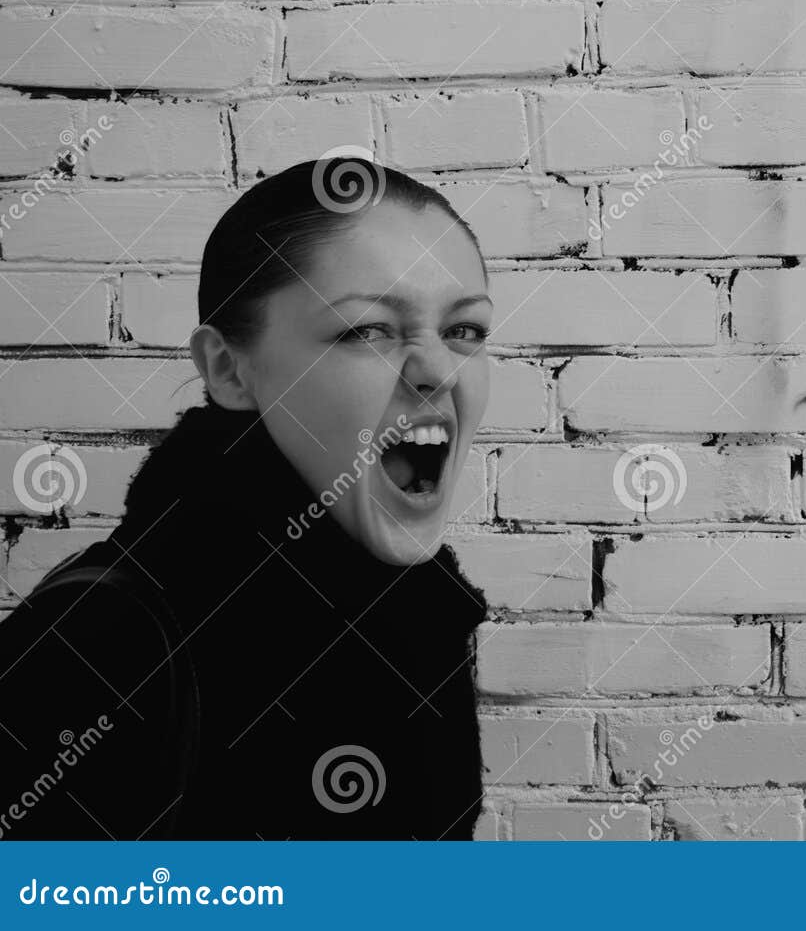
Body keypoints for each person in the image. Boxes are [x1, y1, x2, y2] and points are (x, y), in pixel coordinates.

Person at [0, 155, 493, 839]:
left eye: (465, 330)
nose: (440, 367)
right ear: (229, 369)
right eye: (368, 330)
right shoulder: (98, 647)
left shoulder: (420, 622)